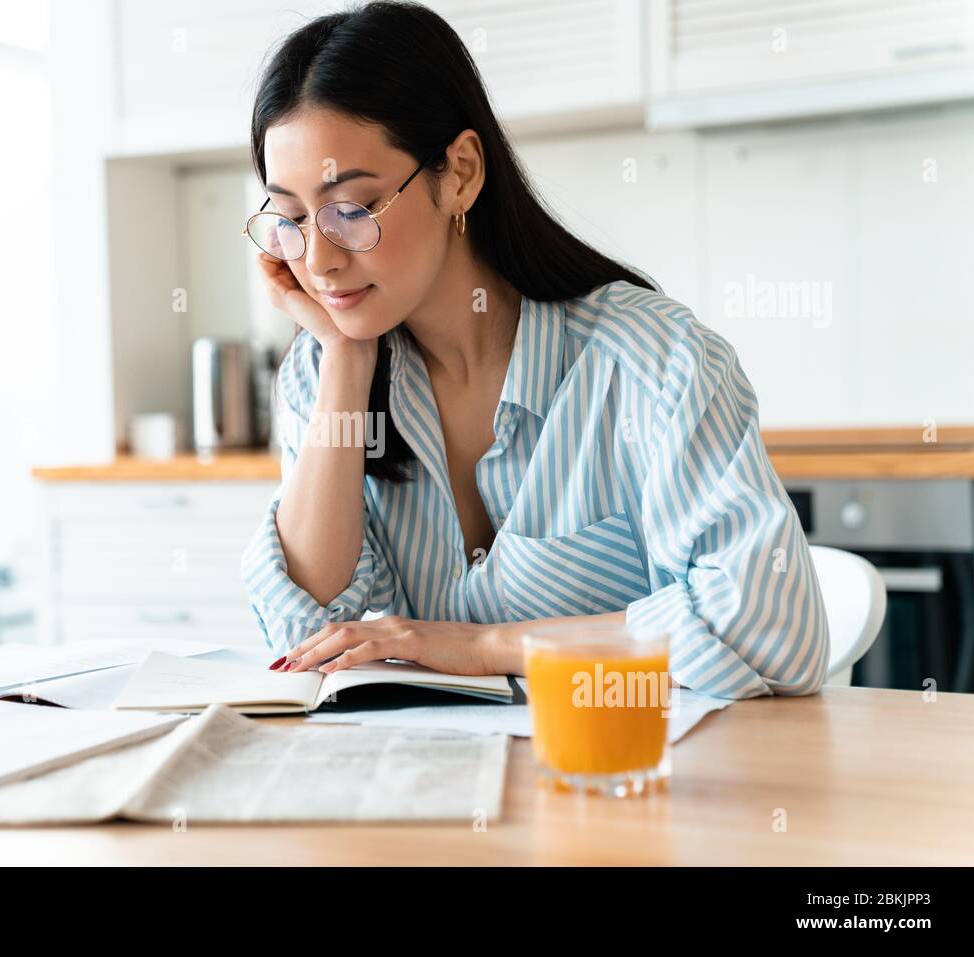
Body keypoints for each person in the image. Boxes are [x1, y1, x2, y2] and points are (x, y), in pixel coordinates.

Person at [239, 2, 829, 698]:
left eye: (353, 209)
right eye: (294, 218)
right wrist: (343, 356)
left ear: (458, 172)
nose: (320, 260)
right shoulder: (324, 375)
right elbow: (300, 629)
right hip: (442, 789)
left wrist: (488, 646)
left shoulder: (654, 362)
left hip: (638, 785)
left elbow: (774, 631)